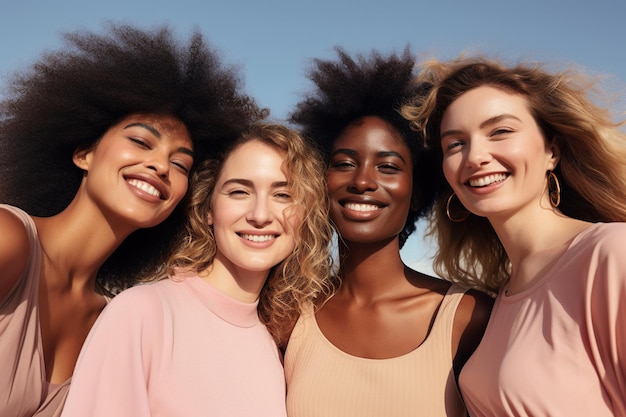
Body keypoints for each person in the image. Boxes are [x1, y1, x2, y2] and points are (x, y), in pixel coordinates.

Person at [0, 23, 264, 417]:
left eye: (180, 164)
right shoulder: (9, 239)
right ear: (84, 153)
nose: (160, 165)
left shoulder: (110, 316)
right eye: (141, 142)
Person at [401, 55, 626, 416]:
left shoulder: (611, 254)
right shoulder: (501, 296)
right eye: (455, 144)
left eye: (500, 131)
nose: (475, 156)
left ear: (552, 150)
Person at [60, 123, 333, 417]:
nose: (260, 215)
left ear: (305, 215)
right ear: (208, 210)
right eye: (239, 191)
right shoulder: (143, 313)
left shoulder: (277, 345)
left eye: (283, 196)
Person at [284, 47, 493, 417]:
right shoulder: (289, 318)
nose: (363, 181)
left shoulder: (467, 316)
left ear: (417, 194)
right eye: (345, 163)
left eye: (388, 167)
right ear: (320, 182)